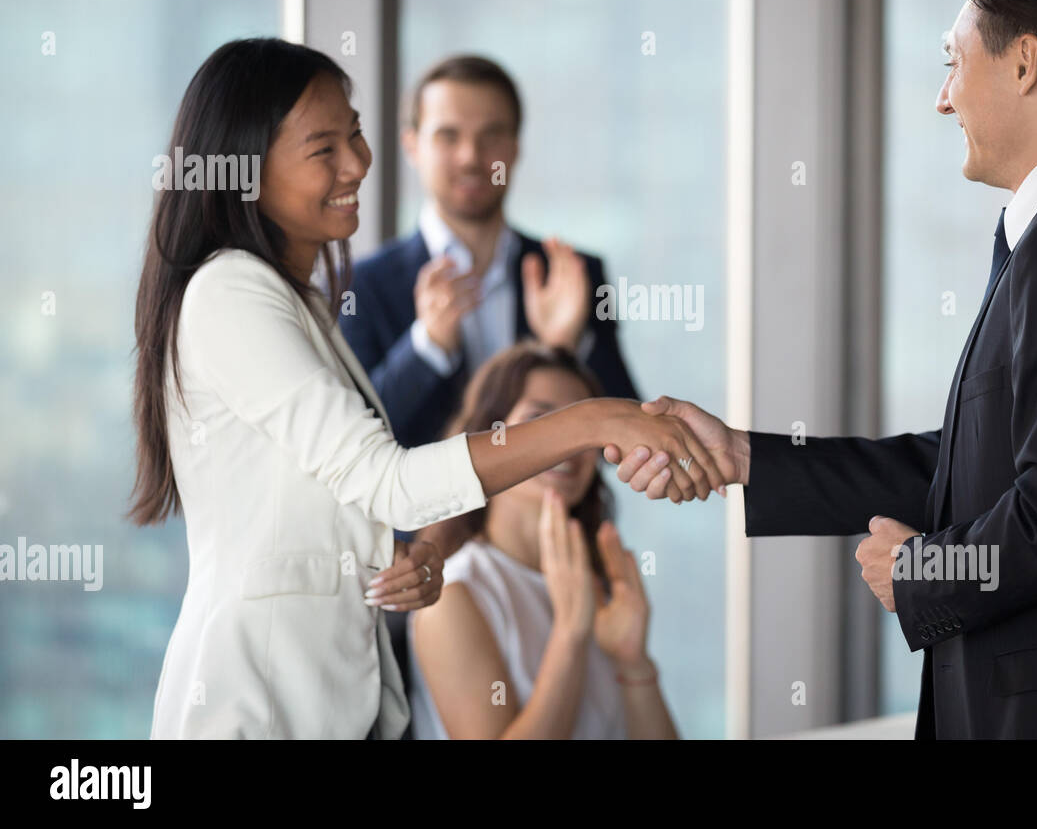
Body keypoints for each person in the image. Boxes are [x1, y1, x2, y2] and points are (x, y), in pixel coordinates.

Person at [608, 0, 1037, 739]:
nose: (943, 100)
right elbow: (985, 466)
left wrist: (926, 573)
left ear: (1025, 62)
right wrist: (744, 458)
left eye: (953, 62)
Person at [131, 38, 721, 739]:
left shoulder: (305, 303)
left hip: (336, 696)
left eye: (354, 131)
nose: (357, 161)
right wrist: (591, 419)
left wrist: (400, 557)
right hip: (257, 705)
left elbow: (319, 500)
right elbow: (388, 478)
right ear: (246, 171)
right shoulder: (232, 291)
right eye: (324, 148)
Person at [339, 54, 638, 451]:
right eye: (448, 136)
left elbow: (624, 441)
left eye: (492, 134)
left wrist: (562, 352)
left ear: (515, 148)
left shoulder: (572, 276)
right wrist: (427, 347)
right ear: (412, 146)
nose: (470, 156)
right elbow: (355, 447)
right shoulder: (360, 285)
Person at [407, 343, 677, 739]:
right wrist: (570, 634)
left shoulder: (598, 582)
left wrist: (633, 662)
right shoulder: (452, 596)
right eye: (539, 420)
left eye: (585, 433)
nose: (565, 446)